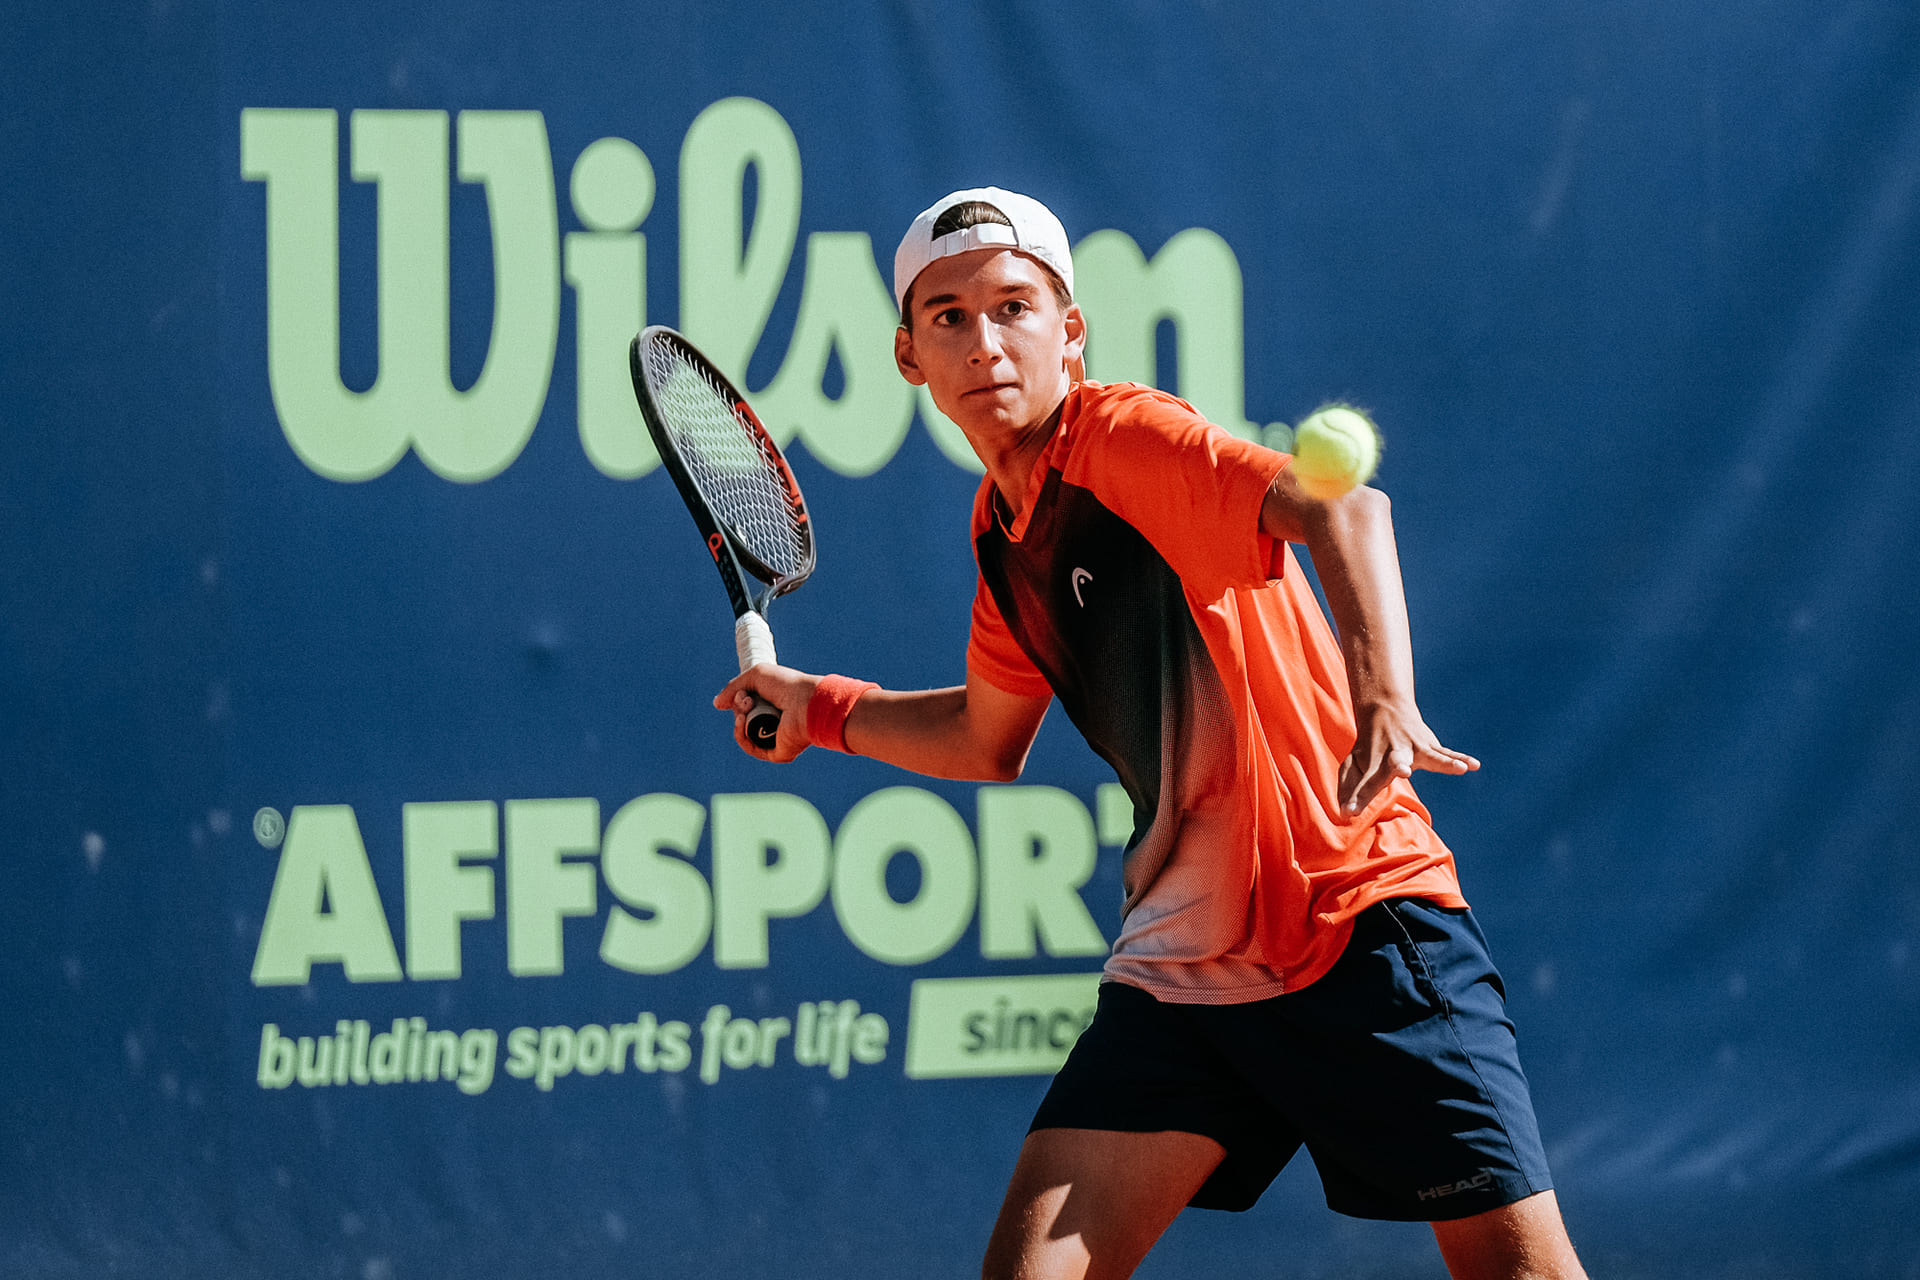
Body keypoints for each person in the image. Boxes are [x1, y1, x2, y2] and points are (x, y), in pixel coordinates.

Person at [714, 187, 1587, 1280]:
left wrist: (1381, 698)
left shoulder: (1123, 439)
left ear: (1069, 330)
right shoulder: (1002, 533)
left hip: (1354, 916)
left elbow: (1345, 507)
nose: (984, 341)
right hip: (1189, 967)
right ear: (909, 358)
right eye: (948, 317)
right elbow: (989, 735)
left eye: (1014, 307)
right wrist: (822, 710)